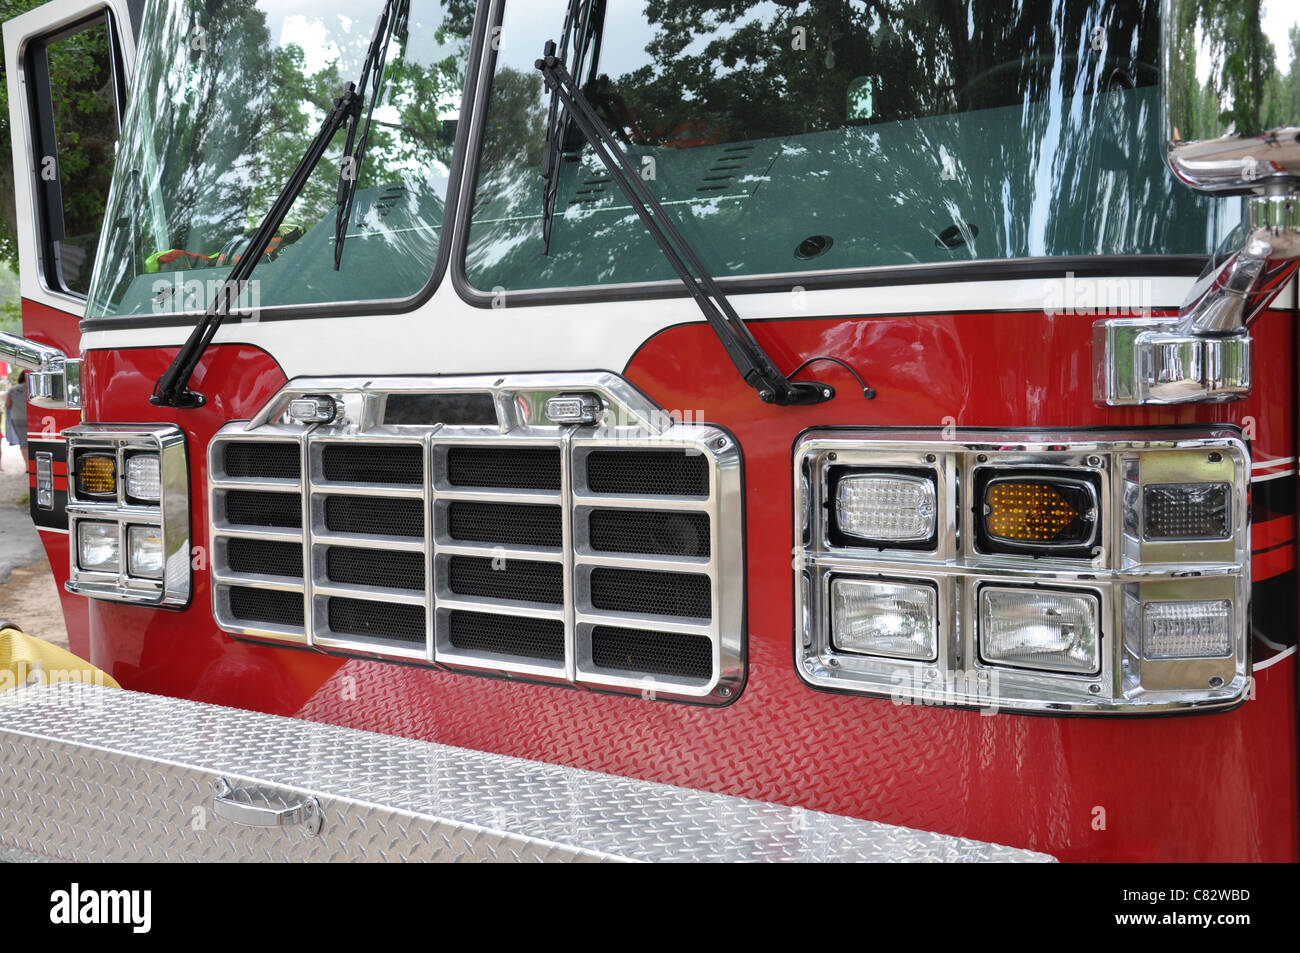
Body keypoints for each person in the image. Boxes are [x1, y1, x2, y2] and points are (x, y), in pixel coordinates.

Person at [5, 371, 28, 469]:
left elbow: (7, 405)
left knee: (23, 442)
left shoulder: (12, 390)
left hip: (17, 418)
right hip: (33, 419)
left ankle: (28, 466)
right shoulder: (32, 388)